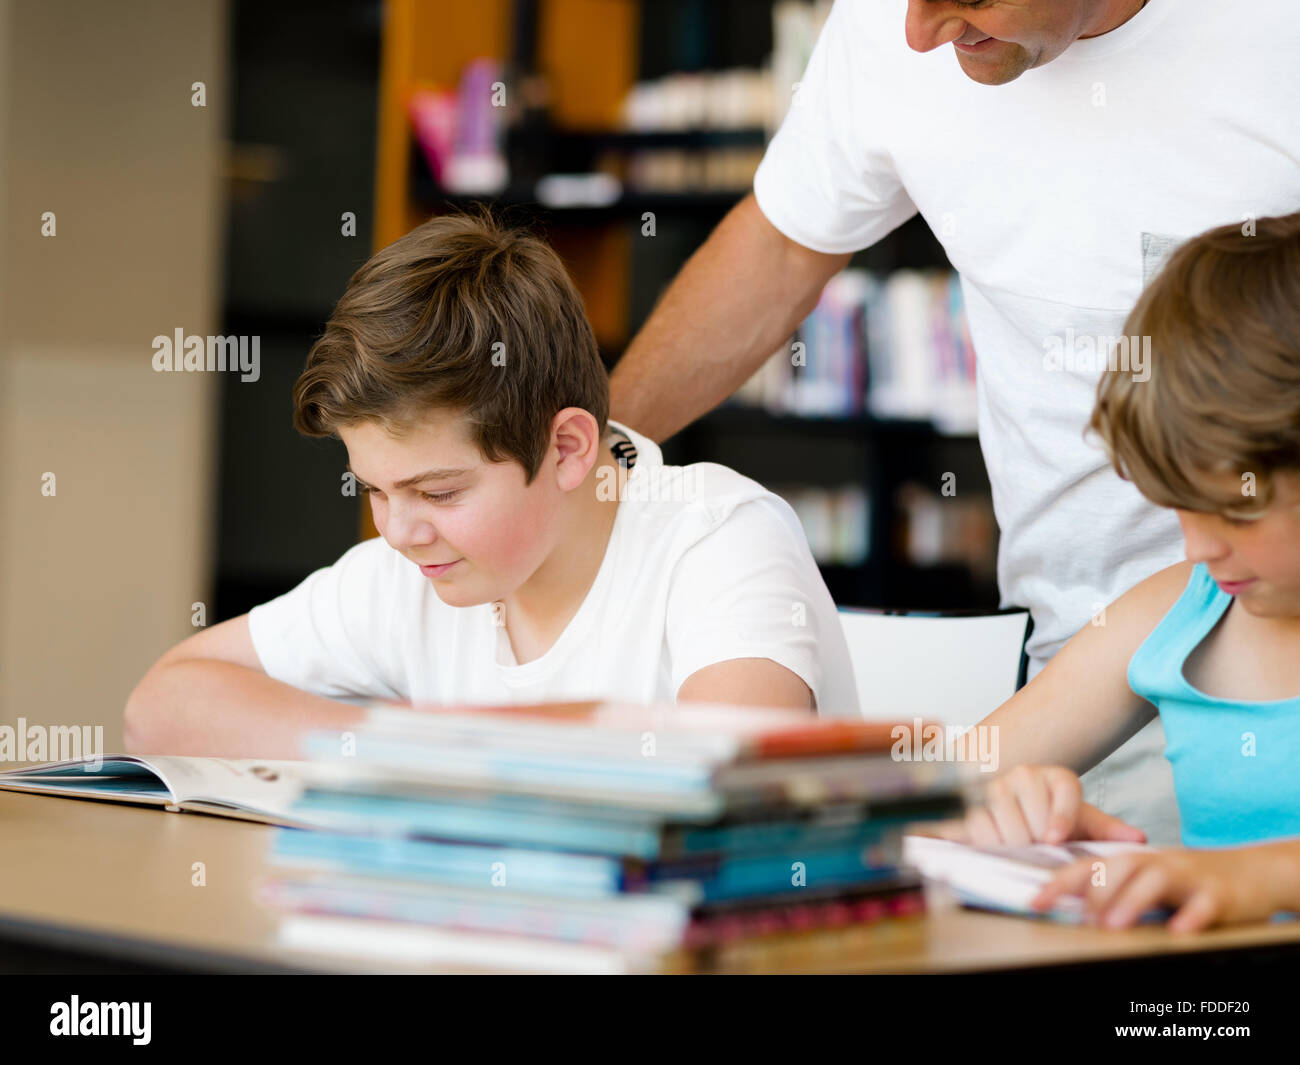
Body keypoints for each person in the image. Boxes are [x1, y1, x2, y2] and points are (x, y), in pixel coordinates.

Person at [608, 0, 1300, 844]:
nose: (916, 31)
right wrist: (591, 453)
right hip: (1080, 667)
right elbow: (784, 245)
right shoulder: (1167, 608)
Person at [124, 213, 859, 759]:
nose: (397, 530)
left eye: (439, 492)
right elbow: (161, 704)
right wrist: (403, 747)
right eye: (375, 490)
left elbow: (735, 783)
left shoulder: (719, 539)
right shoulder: (415, 568)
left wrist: (444, 750)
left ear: (568, 447)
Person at [951, 213, 1300, 931]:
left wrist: (1257, 873)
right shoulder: (1185, 612)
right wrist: (1008, 801)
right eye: (1179, 506)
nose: (1200, 549)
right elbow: (929, 791)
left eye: (1236, 510)